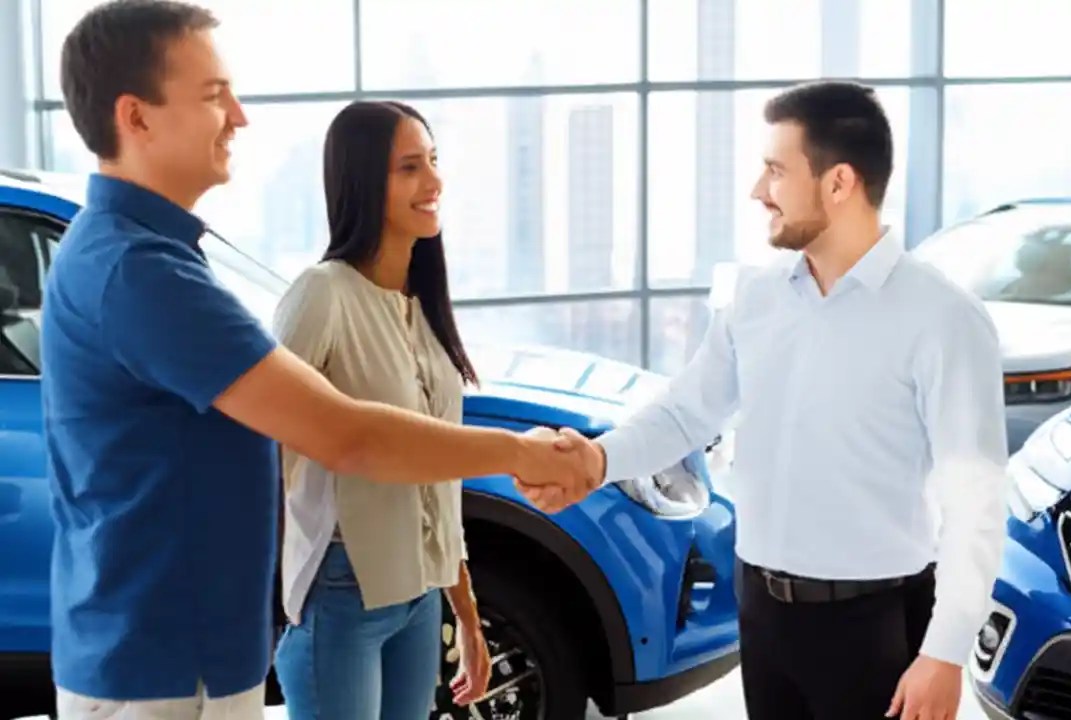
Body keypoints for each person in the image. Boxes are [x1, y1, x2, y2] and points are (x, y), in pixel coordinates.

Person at [41, 2, 594, 717]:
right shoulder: (139, 272)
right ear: (136, 116)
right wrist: (524, 453)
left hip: (195, 654)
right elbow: (344, 437)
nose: (238, 116)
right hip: (164, 667)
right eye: (214, 96)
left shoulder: (152, 257)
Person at [524, 80, 1009, 720]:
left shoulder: (943, 318)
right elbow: (686, 411)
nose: (759, 191)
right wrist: (596, 462)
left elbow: (975, 501)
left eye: (776, 170)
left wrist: (944, 653)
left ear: (839, 183)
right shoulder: (756, 297)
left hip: (876, 625)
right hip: (764, 615)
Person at [270, 100, 490, 719]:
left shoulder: (422, 304)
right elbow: (265, 445)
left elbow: (438, 478)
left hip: (421, 596)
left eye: (435, 162)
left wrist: (466, 615)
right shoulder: (323, 293)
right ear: (364, 180)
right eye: (410, 167)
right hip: (342, 592)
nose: (435, 182)